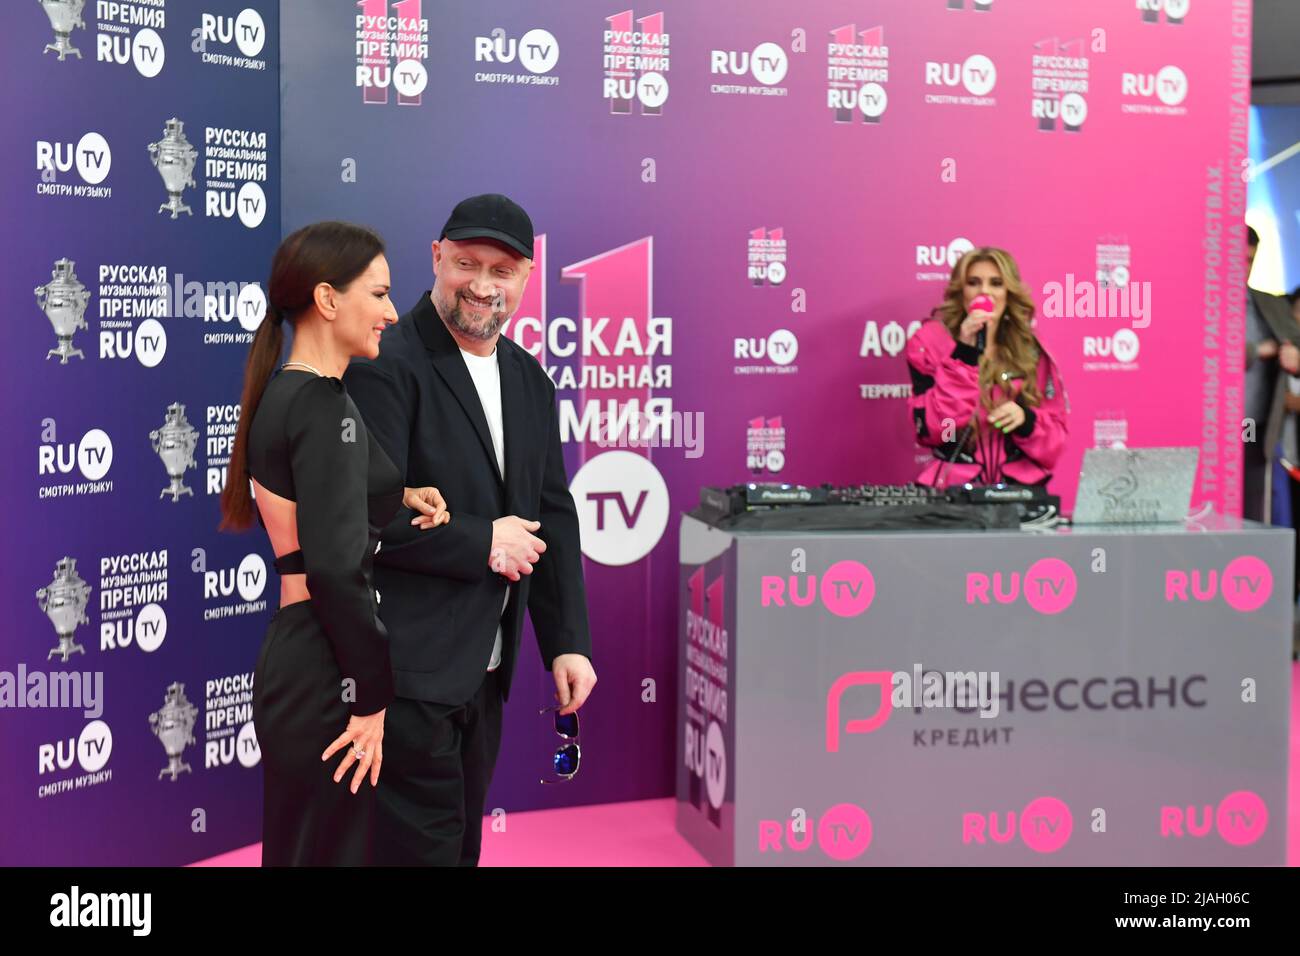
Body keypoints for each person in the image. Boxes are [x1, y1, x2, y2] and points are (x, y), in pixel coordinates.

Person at [343, 194, 597, 866]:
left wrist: (567, 641)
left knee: (458, 850)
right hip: (405, 673)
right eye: (466, 264)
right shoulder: (386, 363)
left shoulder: (529, 380)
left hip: (486, 672)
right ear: (436, 257)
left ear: (526, 278)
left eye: (502, 270)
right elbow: (366, 517)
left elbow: (553, 517)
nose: (483, 285)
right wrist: (484, 541)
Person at [219, 221, 450, 866]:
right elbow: (338, 571)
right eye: (377, 295)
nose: (389, 312)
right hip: (326, 668)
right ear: (327, 300)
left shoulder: (301, 394)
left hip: (304, 658)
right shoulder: (321, 407)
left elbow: (358, 491)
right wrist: (370, 698)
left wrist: (405, 495)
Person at [906, 246, 1068, 488]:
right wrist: (965, 354)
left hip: (1018, 491)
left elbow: (1054, 445)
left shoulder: (1029, 348)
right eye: (974, 282)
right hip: (954, 490)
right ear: (961, 291)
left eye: (996, 283)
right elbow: (939, 431)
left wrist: (1026, 421)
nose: (985, 292)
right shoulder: (929, 342)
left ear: (1008, 292)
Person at [1242, 226, 1300, 523]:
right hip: (1211, 428)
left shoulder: (1270, 304)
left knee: (1258, 510)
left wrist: (1296, 357)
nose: (1244, 268)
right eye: (1239, 260)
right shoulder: (1203, 305)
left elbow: (1296, 343)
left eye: (1250, 261)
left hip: (1258, 426)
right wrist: (1256, 350)